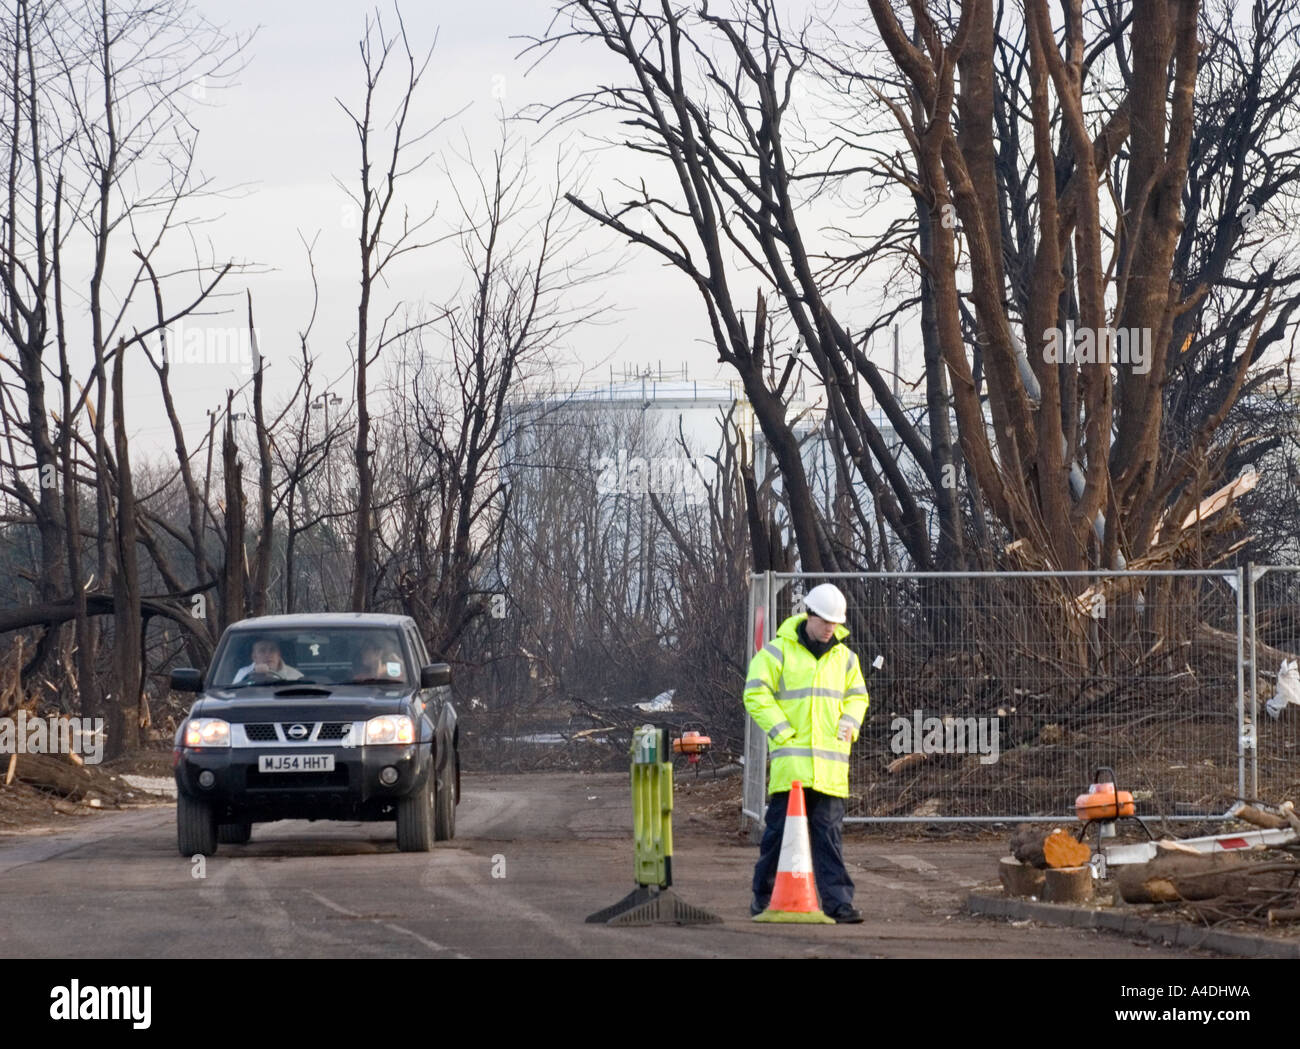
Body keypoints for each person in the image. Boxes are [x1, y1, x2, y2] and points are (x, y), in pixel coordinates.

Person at [743, 582, 869, 923]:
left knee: (829, 838)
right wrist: (780, 730)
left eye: (835, 623)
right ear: (809, 615)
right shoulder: (777, 652)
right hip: (792, 768)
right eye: (825, 621)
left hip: (829, 770)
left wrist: (850, 722)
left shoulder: (845, 659)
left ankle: (838, 904)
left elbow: (858, 697)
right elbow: (755, 693)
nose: (830, 628)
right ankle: (764, 896)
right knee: (778, 835)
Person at [232, 637, 303, 683]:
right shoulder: (243, 673)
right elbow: (236, 695)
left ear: (279, 655)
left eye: (272, 650)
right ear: (254, 657)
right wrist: (253, 677)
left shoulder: (295, 676)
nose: (268, 654)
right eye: (262, 650)